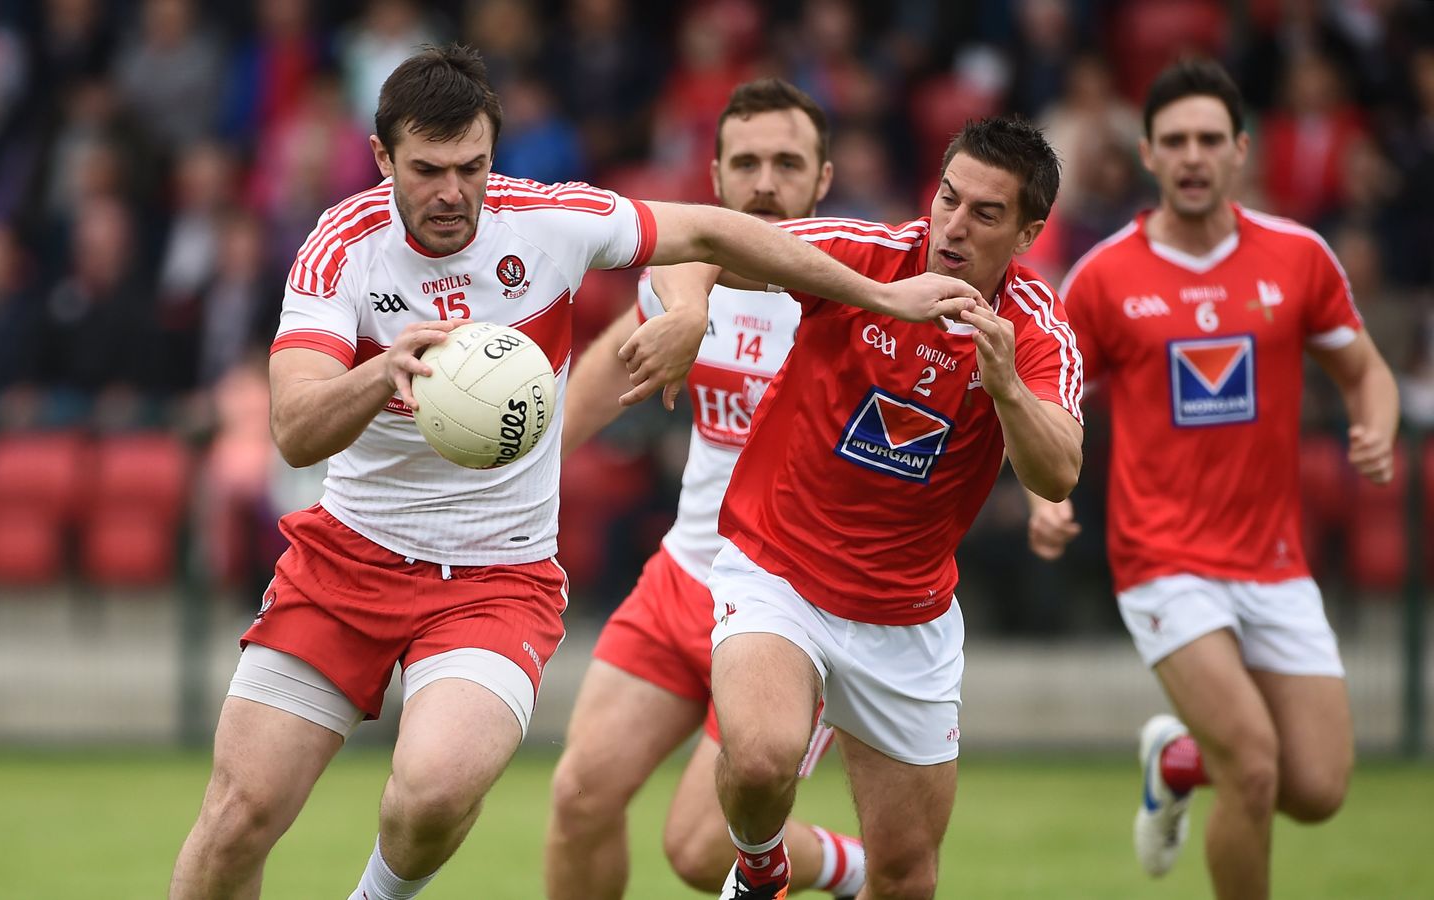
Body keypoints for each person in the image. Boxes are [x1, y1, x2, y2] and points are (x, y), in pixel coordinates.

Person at [167, 45, 981, 900]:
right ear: (382, 161)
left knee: (439, 793)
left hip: (500, 576)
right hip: (348, 559)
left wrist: (885, 296)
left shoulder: (549, 221)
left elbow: (705, 232)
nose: (453, 192)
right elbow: (294, 430)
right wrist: (380, 373)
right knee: (238, 818)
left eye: (472, 167)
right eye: (428, 170)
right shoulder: (341, 248)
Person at [624, 116, 1082, 900]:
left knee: (905, 876)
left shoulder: (1036, 329)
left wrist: (1004, 386)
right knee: (762, 756)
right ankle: (762, 867)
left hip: (906, 617)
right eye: (948, 199)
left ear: (1031, 231)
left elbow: (1058, 473)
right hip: (778, 570)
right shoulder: (868, 256)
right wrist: (690, 314)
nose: (955, 226)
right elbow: (704, 242)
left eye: (986, 213)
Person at [1026, 58, 1398, 900]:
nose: (1191, 156)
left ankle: (1177, 759)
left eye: (1207, 140)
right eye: (1173, 142)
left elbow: (1364, 369)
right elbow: (1049, 405)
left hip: (1273, 559)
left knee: (1318, 789)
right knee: (1258, 769)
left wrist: (1372, 422)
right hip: (1162, 558)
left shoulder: (1299, 258)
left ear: (1239, 150)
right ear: (1149, 156)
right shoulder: (1105, 278)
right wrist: (1046, 498)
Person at [546, 78, 865, 900]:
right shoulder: (687, 284)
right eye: (747, 162)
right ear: (716, 180)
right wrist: (518, 471)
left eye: (788, 162)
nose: (767, 181)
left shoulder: (860, 298)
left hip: (794, 607)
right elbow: (608, 370)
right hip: (685, 579)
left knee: (698, 851)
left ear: (824, 178)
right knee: (580, 797)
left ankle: (861, 867)